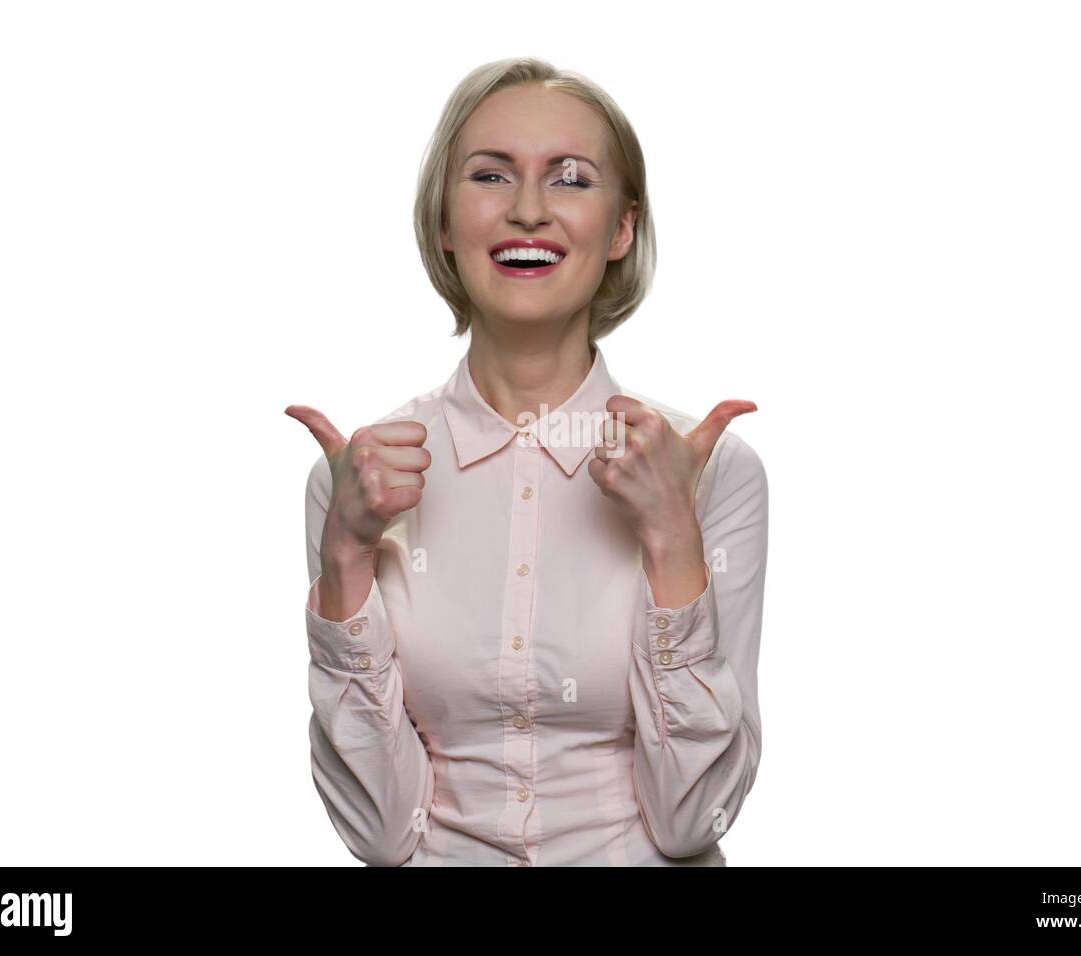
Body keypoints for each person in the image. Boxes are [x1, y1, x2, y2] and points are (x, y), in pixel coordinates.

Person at [285, 57, 769, 866]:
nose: (529, 211)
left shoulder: (712, 471)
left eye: (571, 179)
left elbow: (693, 822)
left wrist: (672, 535)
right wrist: (344, 556)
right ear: (445, 222)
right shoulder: (360, 485)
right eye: (491, 176)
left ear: (621, 229)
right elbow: (377, 834)